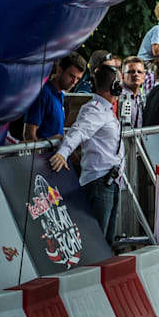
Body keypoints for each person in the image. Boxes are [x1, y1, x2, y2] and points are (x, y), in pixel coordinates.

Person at [48, 65, 124, 245]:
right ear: (114, 86)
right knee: (96, 242)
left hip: (110, 181)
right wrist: (63, 153)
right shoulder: (95, 109)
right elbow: (78, 132)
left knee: (106, 241)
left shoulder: (105, 110)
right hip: (99, 182)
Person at [23, 52, 86, 142]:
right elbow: (29, 135)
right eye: (71, 76)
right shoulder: (43, 93)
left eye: (78, 78)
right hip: (42, 155)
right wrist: (54, 140)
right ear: (59, 70)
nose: (74, 82)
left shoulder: (60, 95)